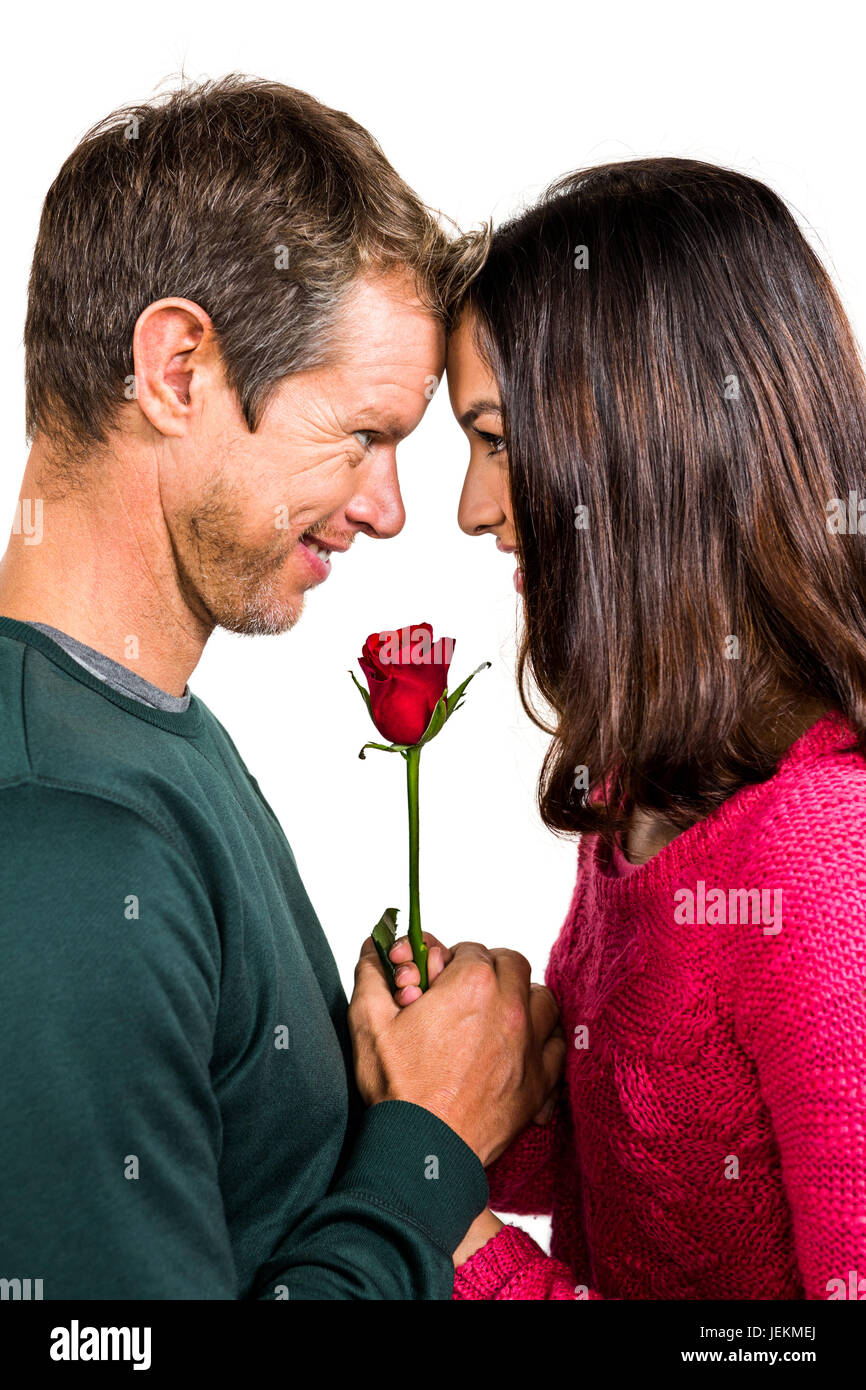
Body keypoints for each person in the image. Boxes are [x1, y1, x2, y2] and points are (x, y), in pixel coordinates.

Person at [0, 75, 563, 1300]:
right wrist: (427, 1154)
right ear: (178, 369)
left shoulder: (153, 738)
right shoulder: (58, 833)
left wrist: (386, 1100)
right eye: (361, 436)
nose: (389, 508)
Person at [385, 158, 866, 1299]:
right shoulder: (644, 792)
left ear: (637, 450)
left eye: (497, 439)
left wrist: (456, 1246)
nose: (469, 509)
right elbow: (658, 1184)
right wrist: (475, 1084)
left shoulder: (826, 872)